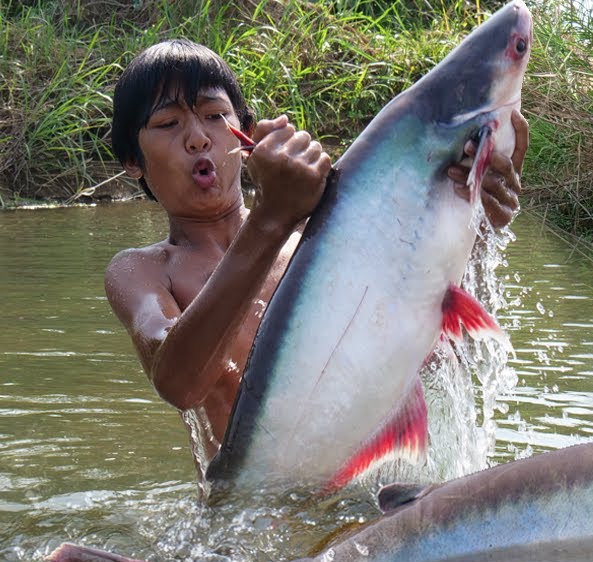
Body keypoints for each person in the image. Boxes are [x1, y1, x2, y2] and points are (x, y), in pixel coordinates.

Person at [103, 39, 526, 469]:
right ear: (131, 160)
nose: (197, 138)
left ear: (244, 133)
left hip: (361, 499)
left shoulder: (316, 232)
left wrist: (481, 223)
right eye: (167, 124)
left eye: (214, 116)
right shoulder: (143, 270)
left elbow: (441, 354)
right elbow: (178, 382)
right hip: (250, 523)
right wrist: (272, 217)